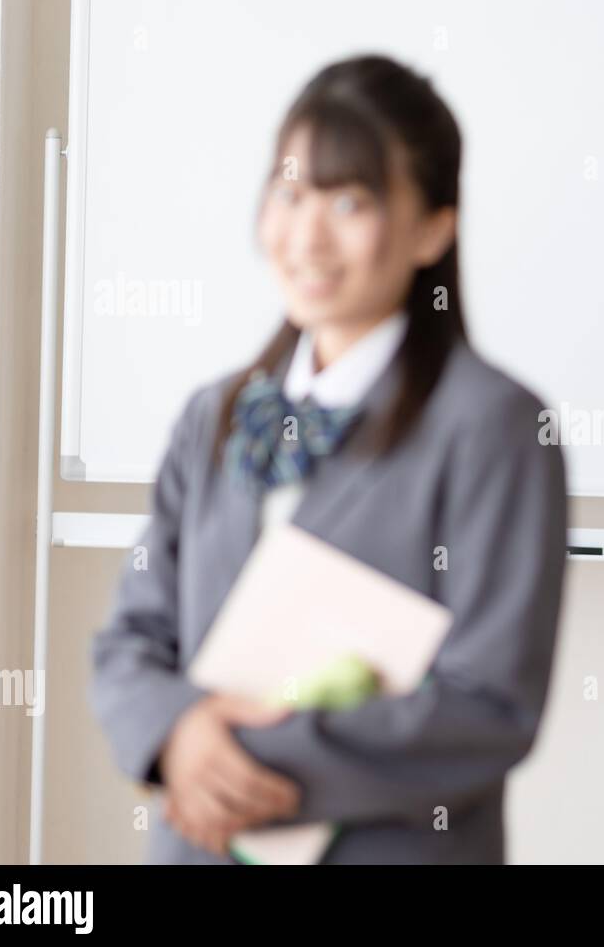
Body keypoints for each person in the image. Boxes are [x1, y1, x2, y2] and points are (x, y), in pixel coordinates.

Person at [91, 54, 567, 864]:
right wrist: (173, 732)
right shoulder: (216, 413)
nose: (306, 234)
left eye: (350, 200)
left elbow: (488, 708)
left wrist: (235, 763)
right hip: (198, 848)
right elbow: (132, 636)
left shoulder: (497, 426)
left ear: (432, 228)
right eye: (289, 193)